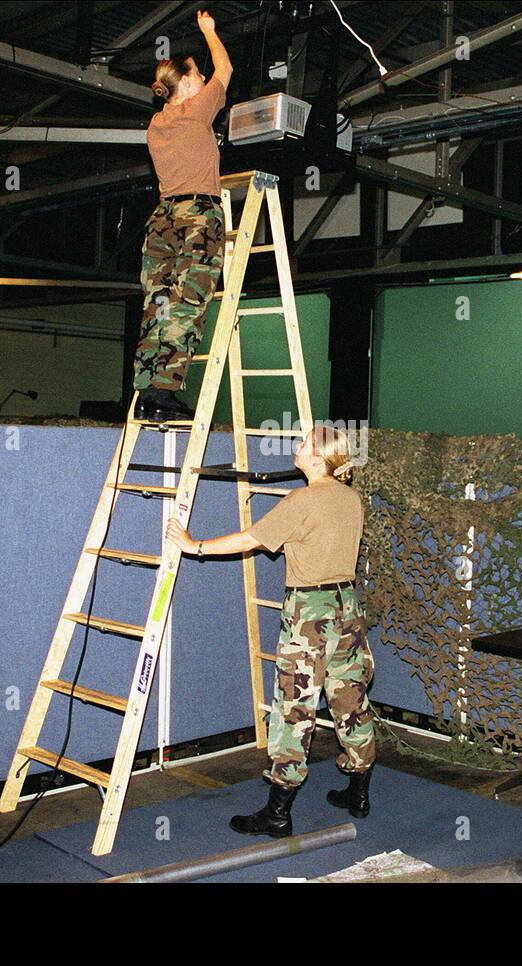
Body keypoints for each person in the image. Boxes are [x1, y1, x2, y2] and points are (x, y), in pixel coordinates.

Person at [165, 424, 377, 837]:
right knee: (350, 699)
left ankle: (278, 812)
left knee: (293, 708)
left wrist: (196, 546)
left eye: (304, 443)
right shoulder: (351, 500)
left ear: (318, 458)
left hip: (308, 615)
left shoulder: (302, 501)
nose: (296, 447)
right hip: (347, 609)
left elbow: (250, 538)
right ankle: (359, 791)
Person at [133, 9, 234, 424]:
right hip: (198, 214)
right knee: (187, 302)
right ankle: (164, 392)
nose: (203, 77)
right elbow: (226, 68)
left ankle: (146, 388)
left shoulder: (156, 124)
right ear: (189, 83)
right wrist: (209, 32)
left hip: (162, 219)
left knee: (157, 301)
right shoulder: (196, 109)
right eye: (196, 74)